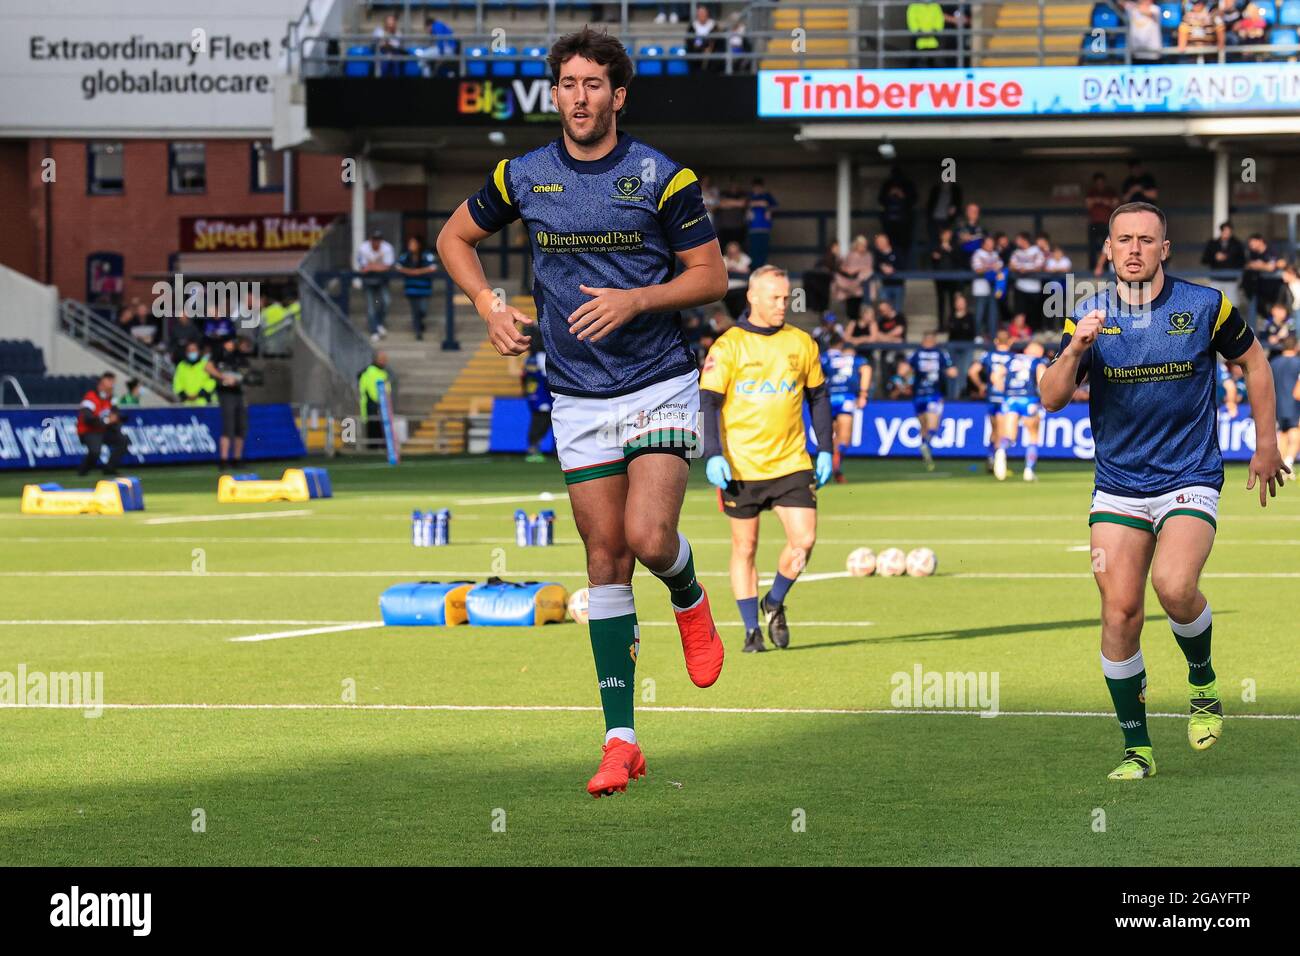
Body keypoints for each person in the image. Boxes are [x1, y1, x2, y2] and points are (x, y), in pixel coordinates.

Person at [436, 28, 728, 799]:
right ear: (555, 93)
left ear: (618, 95)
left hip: (658, 380)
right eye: (567, 83)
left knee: (648, 537)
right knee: (603, 563)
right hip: (575, 395)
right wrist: (487, 302)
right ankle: (620, 742)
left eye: (594, 84)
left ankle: (691, 595)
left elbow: (711, 277)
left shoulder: (662, 176)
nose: (579, 96)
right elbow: (454, 236)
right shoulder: (522, 175)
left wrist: (639, 297)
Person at [1040, 201, 1288, 781]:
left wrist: (1266, 444)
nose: (1133, 249)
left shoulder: (1205, 305)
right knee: (1120, 612)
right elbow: (1050, 398)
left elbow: (1255, 364)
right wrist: (1076, 349)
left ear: (1164, 249)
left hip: (1189, 476)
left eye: (1146, 240)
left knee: (1174, 586)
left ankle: (1201, 679)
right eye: (1123, 239)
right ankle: (1138, 749)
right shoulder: (1088, 316)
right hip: (1119, 486)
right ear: (1107, 249)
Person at [700, 265, 833, 654]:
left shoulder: (801, 343)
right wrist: (713, 455)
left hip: (791, 462)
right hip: (741, 466)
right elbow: (708, 402)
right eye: (775, 298)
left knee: (803, 541)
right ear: (752, 298)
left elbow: (819, 397)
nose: (783, 305)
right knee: (745, 548)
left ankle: (774, 600)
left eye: (787, 297)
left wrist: (824, 448)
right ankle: (750, 630)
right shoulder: (728, 346)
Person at [820, 331, 872, 483]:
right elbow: (866, 369)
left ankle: (829, 465)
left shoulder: (825, 359)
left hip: (828, 398)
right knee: (844, 438)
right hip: (846, 398)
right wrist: (863, 394)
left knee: (832, 436)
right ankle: (836, 467)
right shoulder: (853, 359)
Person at [997, 340, 1048, 481]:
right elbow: (1041, 380)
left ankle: (1001, 451)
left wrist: (1005, 391)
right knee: (1033, 435)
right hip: (1029, 399)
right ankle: (1029, 470)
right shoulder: (1038, 361)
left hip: (1011, 399)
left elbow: (995, 377)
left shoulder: (1011, 360)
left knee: (1009, 436)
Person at [907, 331, 958, 470]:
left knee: (923, 426)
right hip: (934, 395)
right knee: (932, 427)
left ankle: (926, 454)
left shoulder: (916, 354)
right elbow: (953, 372)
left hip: (918, 395)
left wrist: (909, 379)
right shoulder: (941, 354)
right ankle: (926, 445)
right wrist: (944, 372)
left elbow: (905, 370)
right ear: (934, 341)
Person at [969, 329, 1014, 474]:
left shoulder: (988, 355)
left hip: (991, 397)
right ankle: (999, 463)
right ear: (1010, 341)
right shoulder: (1013, 358)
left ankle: (990, 457)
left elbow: (972, 371)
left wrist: (981, 385)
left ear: (996, 341)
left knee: (994, 429)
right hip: (1006, 398)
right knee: (1003, 432)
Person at [207, 336, 250, 470]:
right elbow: (208, 367)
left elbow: (245, 370)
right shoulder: (219, 353)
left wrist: (239, 379)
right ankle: (224, 459)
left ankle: (237, 458)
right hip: (225, 393)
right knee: (228, 426)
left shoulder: (238, 355)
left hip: (238, 392)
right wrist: (223, 377)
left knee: (240, 426)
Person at [75, 372, 128, 477]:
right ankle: (83, 471)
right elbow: (88, 419)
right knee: (95, 452)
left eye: (113, 382)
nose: (111, 385)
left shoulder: (111, 398)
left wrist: (116, 419)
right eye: (109, 382)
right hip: (88, 431)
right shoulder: (90, 397)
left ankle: (109, 468)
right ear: (101, 384)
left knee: (123, 440)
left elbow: (117, 415)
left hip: (103, 430)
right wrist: (108, 421)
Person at [396, 235, 439, 341]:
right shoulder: (406, 256)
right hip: (411, 288)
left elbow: (433, 267)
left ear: (419, 245)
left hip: (424, 288)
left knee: (423, 309)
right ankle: (418, 331)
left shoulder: (426, 255)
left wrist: (418, 272)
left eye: (413, 243)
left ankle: (420, 324)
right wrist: (411, 272)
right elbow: (398, 266)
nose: (411, 246)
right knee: (415, 311)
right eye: (410, 243)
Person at [356, 229, 396, 343]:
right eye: (374, 240)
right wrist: (378, 266)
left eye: (378, 240)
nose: (376, 242)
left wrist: (372, 266)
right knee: (370, 307)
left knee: (386, 301)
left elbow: (387, 266)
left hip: (382, 280)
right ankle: (374, 330)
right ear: (370, 240)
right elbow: (363, 268)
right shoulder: (363, 248)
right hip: (368, 281)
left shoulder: (387, 248)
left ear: (381, 241)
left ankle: (378, 323)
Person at [878, 165, 918, 268]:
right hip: (889, 222)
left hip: (904, 223)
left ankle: (903, 267)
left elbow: (914, 200)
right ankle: (889, 265)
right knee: (889, 246)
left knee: (904, 247)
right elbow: (881, 200)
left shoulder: (908, 185)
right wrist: (890, 194)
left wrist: (901, 195)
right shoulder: (888, 185)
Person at [1270, 336, 1300, 471]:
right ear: (1296, 347)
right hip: (1294, 403)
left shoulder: (1274, 363)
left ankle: (1281, 466)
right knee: (1295, 432)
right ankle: (1288, 463)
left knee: (1282, 433)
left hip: (1278, 404)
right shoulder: (1298, 363)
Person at [522, 340, 553, 463]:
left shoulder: (529, 359)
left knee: (539, 421)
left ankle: (534, 447)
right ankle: (534, 448)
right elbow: (548, 378)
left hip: (533, 395)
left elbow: (525, 377)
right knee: (542, 421)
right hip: (543, 396)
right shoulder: (542, 357)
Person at [1242, 233, 1283, 326]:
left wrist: (1260, 265)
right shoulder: (1253, 253)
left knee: (1276, 311)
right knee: (1263, 311)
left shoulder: (1272, 250)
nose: (1251, 246)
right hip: (1260, 289)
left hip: (1274, 288)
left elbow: (1272, 267)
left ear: (1260, 241)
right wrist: (1258, 265)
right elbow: (1247, 265)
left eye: (1253, 243)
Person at [1008, 232, 1046, 329]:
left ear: (1024, 240)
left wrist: (1024, 268)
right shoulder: (1017, 252)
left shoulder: (1036, 250)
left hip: (1034, 289)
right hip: (1020, 287)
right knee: (1019, 314)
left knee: (1034, 316)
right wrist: (1025, 267)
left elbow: (1039, 265)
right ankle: (1019, 337)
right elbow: (1012, 265)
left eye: (1018, 239)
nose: (1016, 242)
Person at [833, 234, 873, 324]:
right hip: (848, 286)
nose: (863, 247)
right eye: (861, 245)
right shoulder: (850, 255)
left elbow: (868, 269)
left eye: (865, 245)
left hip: (860, 287)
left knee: (860, 308)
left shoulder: (868, 256)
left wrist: (858, 271)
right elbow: (843, 267)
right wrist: (849, 271)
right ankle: (850, 324)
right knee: (849, 309)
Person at [970, 234, 1003, 341]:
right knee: (979, 313)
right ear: (983, 244)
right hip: (980, 288)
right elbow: (977, 269)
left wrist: (991, 268)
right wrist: (991, 267)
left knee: (993, 314)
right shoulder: (977, 253)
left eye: (992, 244)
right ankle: (978, 335)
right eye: (988, 244)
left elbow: (1000, 267)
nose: (990, 246)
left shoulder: (995, 254)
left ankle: (992, 336)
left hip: (993, 288)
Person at [929, 226, 962, 330]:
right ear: (941, 235)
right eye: (945, 234)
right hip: (940, 278)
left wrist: (949, 251)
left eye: (949, 234)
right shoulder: (936, 247)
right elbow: (933, 260)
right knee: (941, 302)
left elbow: (958, 259)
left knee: (952, 302)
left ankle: (952, 324)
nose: (947, 236)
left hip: (952, 278)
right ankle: (941, 325)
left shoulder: (955, 246)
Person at [358, 351, 391, 451]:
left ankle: (379, 447)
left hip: (381, 403)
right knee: (374, 427)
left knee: (380, 428)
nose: (385, 361)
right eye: (382, 359)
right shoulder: (370, 372)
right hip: (373, 404)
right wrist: (377, 402)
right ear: (376, 359)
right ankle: (373, 449)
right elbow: (368, 389)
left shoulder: (382, 372)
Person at [745, 177, 778, 267]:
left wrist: (768, 209)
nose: (758, 189)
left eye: (759, 187)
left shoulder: (767, 196)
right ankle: (754, 270)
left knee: (763, 250)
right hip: (753, 228)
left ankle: (762, 269)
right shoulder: (749, 196)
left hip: (765, 228)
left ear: (762, 187)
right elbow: (744, 206)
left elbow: (775, 206)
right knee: (754, 250)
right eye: (756, 187)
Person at [871, 232, 904, 313]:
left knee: (897, 309)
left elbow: (902, 265)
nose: (880, 243)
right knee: (884, 309)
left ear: (887, 241)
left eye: (882, 241)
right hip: (885, 285)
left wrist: (893, 269)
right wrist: (882, 267)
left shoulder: (896, 251)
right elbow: (874, 266)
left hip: (898, 284)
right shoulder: (877, 254)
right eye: (878, 242)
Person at [722, 240, 752, 318]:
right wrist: (738, 272)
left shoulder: (744, 258)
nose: (733, 254)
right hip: (729, 291)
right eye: (731, 253)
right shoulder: (724, 260)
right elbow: (725, 275)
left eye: (735, 252)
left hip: (743, 289)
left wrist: (733, 272)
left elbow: (748, 275)